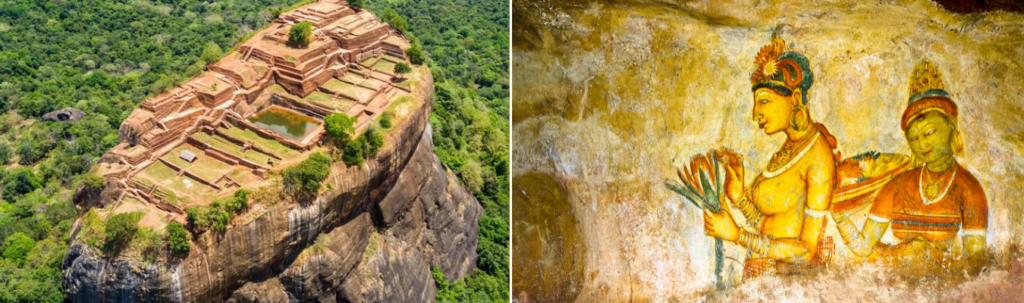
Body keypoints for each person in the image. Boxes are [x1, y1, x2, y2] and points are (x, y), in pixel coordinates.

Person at [703, 30, 838, 279]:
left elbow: (805, 250)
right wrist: (739, 197)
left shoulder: (818, 155)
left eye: (764, 101)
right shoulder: (787, 150)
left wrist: (737, 236)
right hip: (765, 277)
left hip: (793, 285)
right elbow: (768, 225)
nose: (755, 114)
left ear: (795, 99)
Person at [834, 60, 988, 277]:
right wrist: (840, 218)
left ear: (951, 128)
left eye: (930, 132)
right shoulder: (898, 184)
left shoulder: (969, 189)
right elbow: (863, 247)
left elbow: (975, 269)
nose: (922, 145)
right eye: (914, 138)